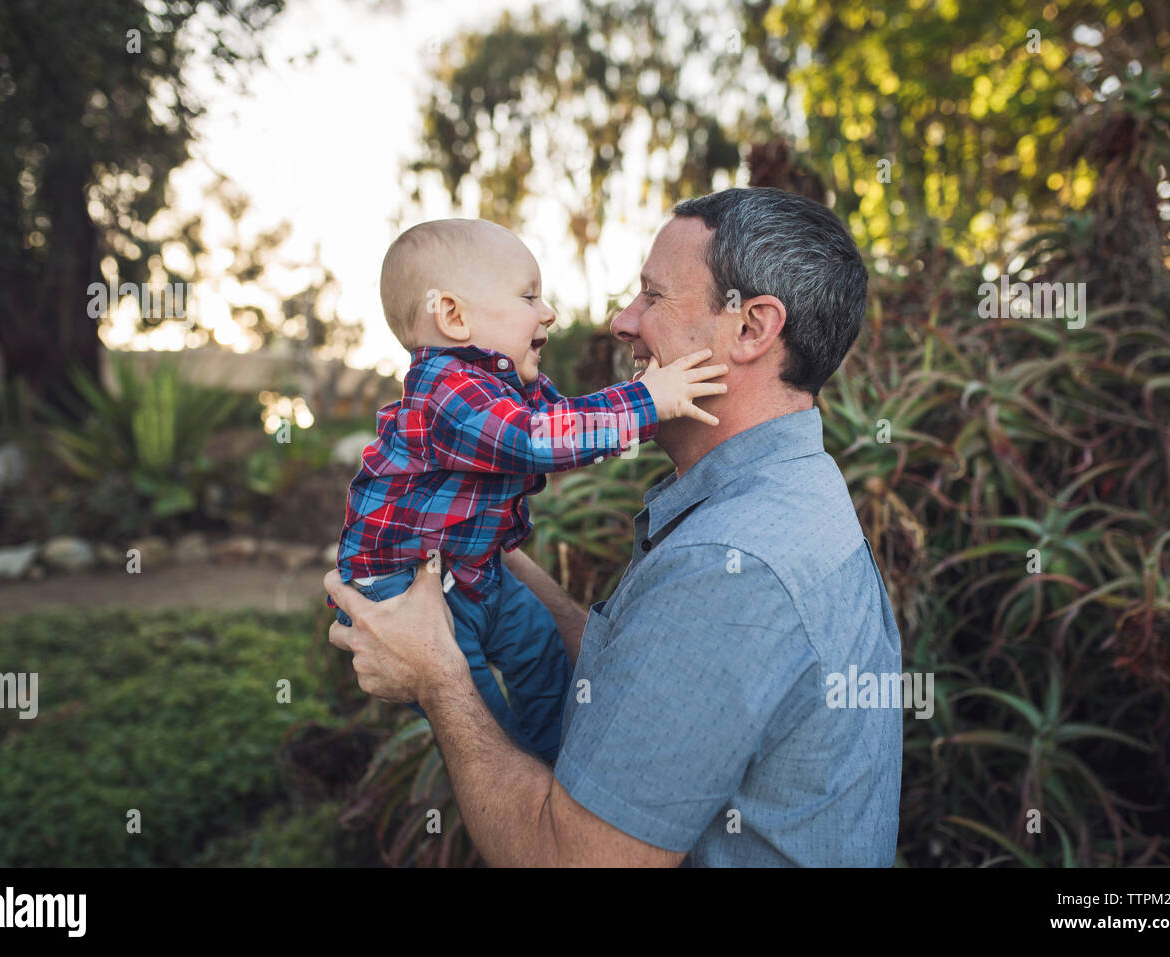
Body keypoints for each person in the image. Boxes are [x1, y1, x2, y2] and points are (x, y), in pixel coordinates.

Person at [326, 188, 903, 866]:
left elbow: (568, 859)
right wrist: (469, 546)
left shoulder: (729, 565)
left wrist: (437, 678)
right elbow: (650, 679)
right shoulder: (789, 494)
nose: (619, 321)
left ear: (751, 328)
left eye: (652, 297)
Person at [327, 218, 727, 763]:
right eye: (528, 296)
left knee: (543, 655)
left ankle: (561, 761)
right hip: (403, 592)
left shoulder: (508, 384)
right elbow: (534, 440)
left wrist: (647, 399)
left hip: (473, 575)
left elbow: (568, 423)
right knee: (481, 717)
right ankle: (528, 786)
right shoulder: (447, 389)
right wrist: (646, 403)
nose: (548, 313)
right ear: (452, 316)